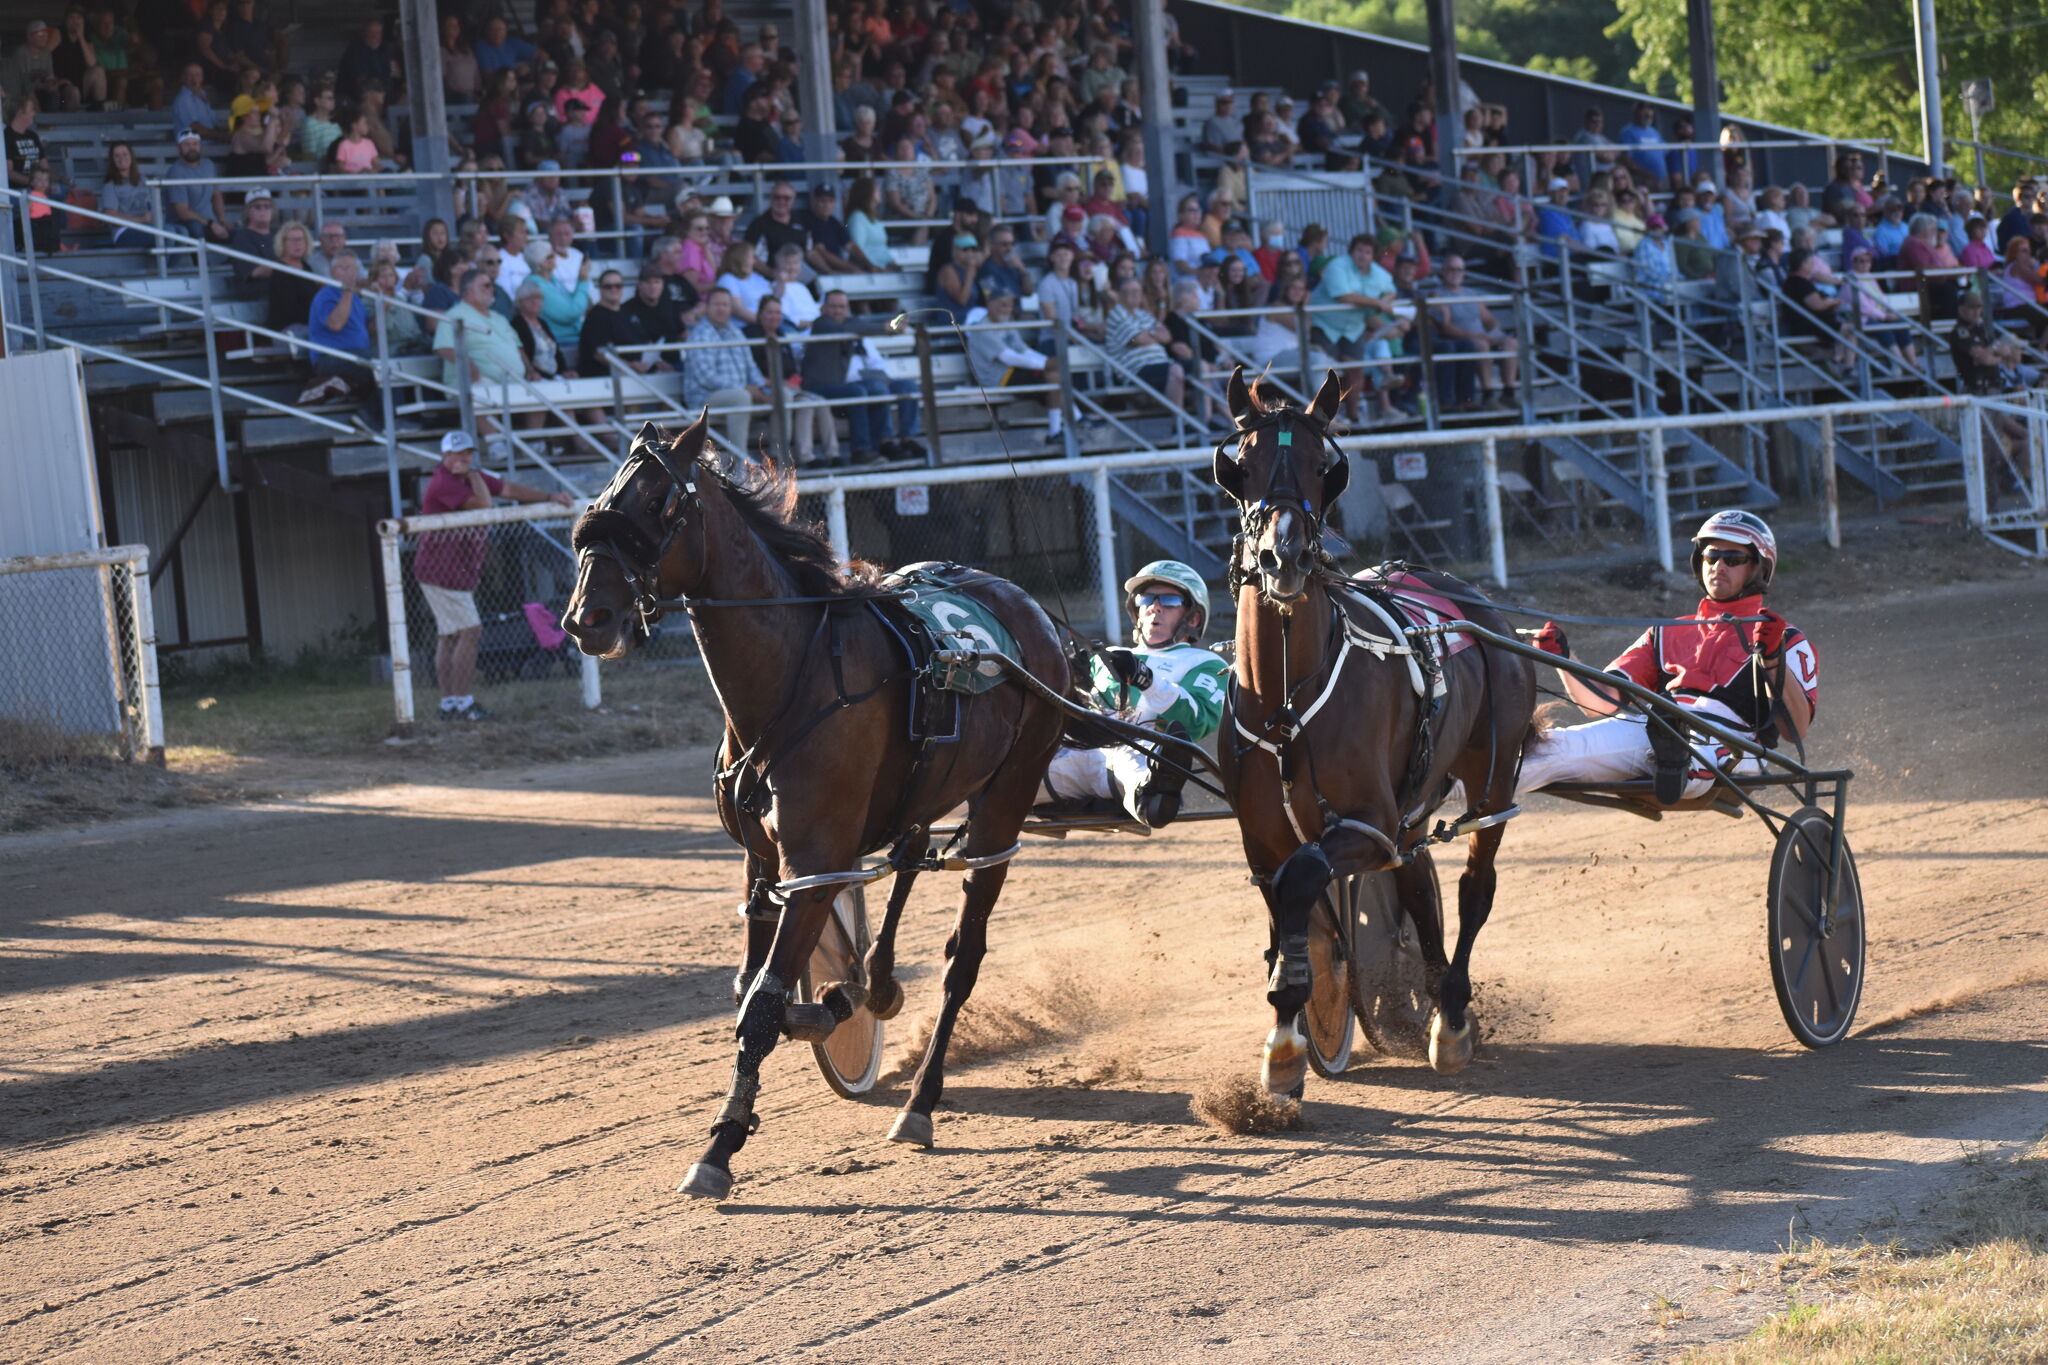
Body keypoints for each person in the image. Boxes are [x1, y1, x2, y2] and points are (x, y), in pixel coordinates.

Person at [1517, 510, 1815, 807]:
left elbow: (1797, 730)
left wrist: (1772, 658)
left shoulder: (1784, 637)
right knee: (1542, 751)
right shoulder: (1666, 632)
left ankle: (1679, 757)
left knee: (1696, 747)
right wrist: (1564, 658)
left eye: (1733, 559)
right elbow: (1602, 703)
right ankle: (1478, 793)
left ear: (1759, 568)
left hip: (1734, 741)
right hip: (1654, 726)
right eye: (1711, 556)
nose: (1718, 566)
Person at [1040, 560, 1228, 829]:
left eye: (1169, 600)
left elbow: (1195, 723)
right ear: (1136, 610)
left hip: (1139, 750)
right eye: (1146, 599)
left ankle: (1154, 795)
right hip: (1081, 750)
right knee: (1013, 776)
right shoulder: (1106, 656)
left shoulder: (1206, 663)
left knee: (1137, 763)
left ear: (1193, 618)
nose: (1155, 607)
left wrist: (1146, 679)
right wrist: (1070, 680)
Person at [414, 430, 575, 723]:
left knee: (449, 635)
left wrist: (549, 496)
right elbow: (484, 506)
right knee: (470, 631)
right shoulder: (444, 482)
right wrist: (476, 474)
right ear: (445, 456)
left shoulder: (470, 477)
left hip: (454, 572)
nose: (463, 459)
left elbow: (509, 490)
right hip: (441, 572)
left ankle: (450, 705)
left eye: (467, 454)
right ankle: (462, 704)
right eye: (457, 454)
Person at [684, 286, 770, 456]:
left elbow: (751, 366)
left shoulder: (735, 332)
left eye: (725, 305)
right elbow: (706, 378)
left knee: (782, 396)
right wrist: (744, 388)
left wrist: (760, 387)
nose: (721, 309)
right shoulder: (700, 334)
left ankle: (779, 457)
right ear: (707, 307)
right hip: (705, 398)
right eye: (717, 304)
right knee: (740, 397)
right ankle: (741, 461)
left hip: (739, 392)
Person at [165, 129, 229, 241]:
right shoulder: (176, 171)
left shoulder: (208, 165)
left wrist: (222, 220)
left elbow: (216, 195)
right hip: (185, 223)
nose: (192, 148)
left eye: (195, 144)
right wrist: (211, 224)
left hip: (210, 223)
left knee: (237, 232)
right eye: (187, 144)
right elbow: (182, 212)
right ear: (179, 147)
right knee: (196, 228)